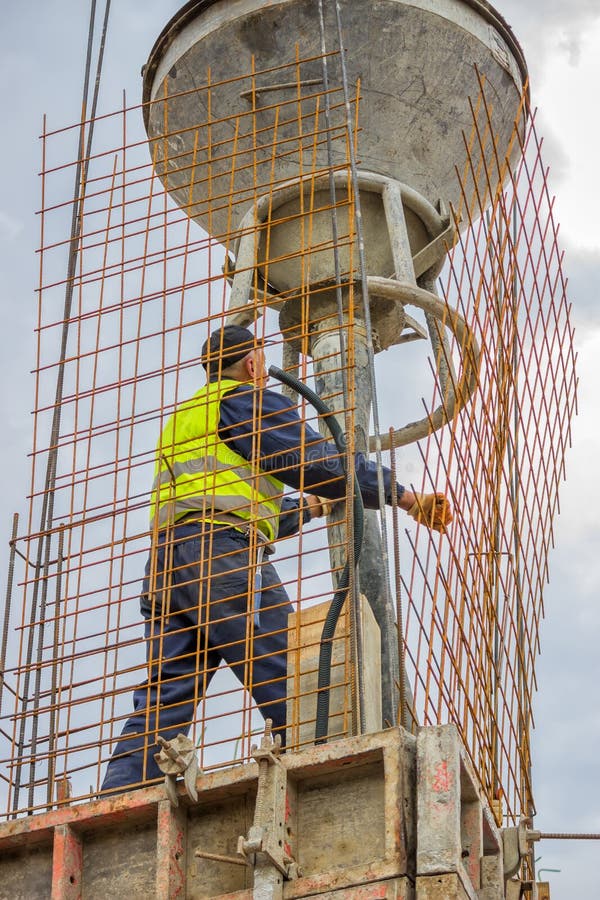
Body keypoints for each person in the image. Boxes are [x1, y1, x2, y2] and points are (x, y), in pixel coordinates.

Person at [101, 325, 452, 791]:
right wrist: (402, 495)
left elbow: (229, 502)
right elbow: (317, 462)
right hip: (222, 559)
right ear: (252, 363)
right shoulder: (249, 400)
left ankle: (119, 799)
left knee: (163, 699)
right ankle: (335, 787)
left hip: (169, 566)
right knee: (297, 679)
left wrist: (312, 506)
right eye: (262, 356)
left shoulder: (189, 416)